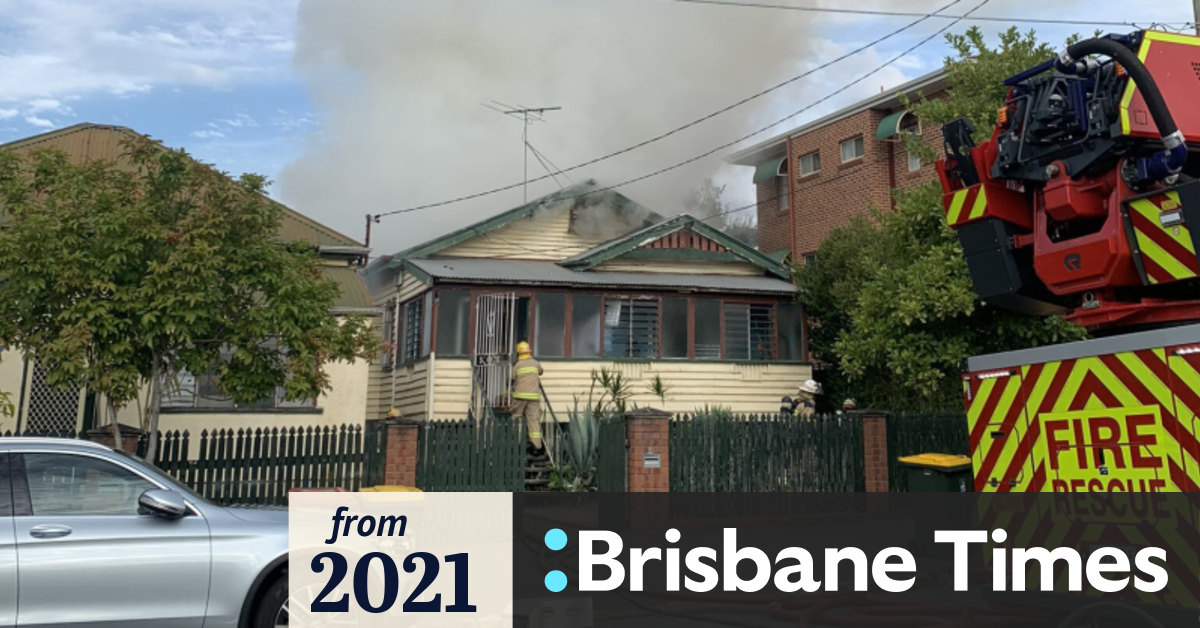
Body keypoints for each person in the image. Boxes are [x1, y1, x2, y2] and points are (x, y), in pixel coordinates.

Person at [511, 340, 545, 452]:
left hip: (519, 396)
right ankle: (537, 446)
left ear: (519, 353)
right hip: (534, 398)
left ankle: (517, 442)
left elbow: (512, 378)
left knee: (517, 417)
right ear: (529, 351)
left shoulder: (518, 365)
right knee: (533, 421)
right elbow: (541, 372)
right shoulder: (535, 363)